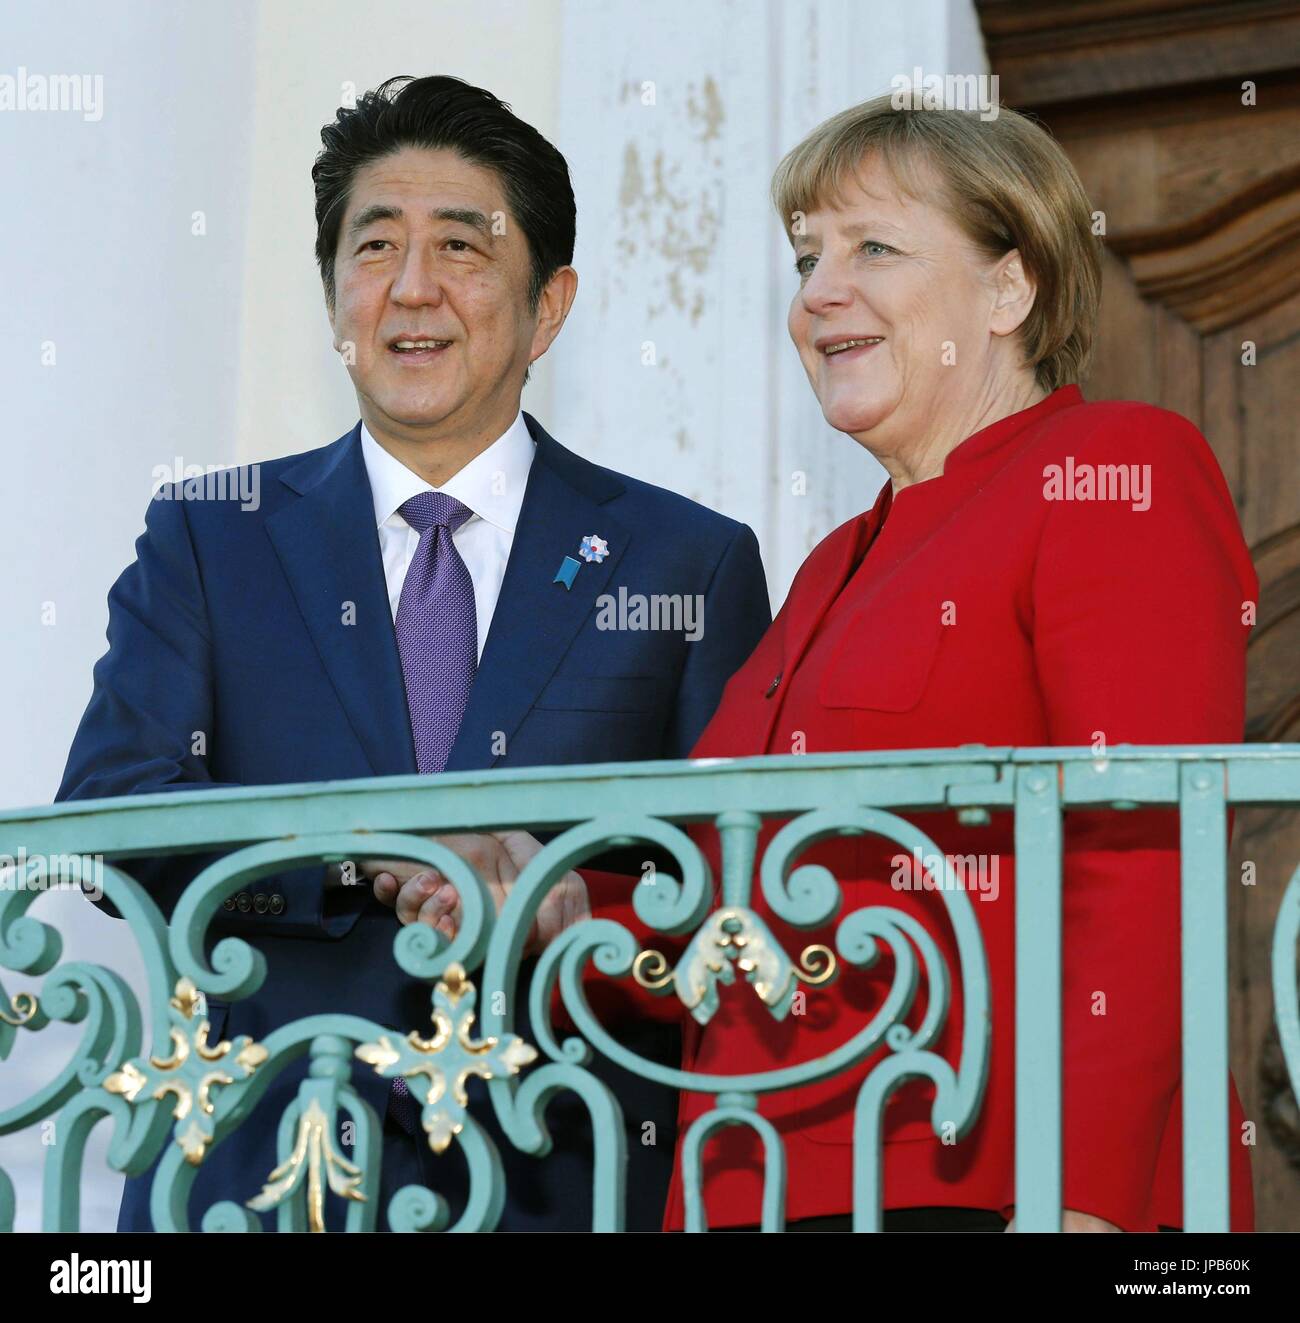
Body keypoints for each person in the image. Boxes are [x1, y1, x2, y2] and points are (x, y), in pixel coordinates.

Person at [57, 74, 770, 1232]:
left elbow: (726, 896)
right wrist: (363, 848)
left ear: (548, 307)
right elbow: (113, 811)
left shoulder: (684, 562)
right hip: (253, 1170)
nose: (411, 287)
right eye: (372, 245)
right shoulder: (208, 534)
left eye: (462, 247)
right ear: (334, 294)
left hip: (566, 1174)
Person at [661, 94, 1257, 1233]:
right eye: (804, 258)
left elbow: (1148, 857)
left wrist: (1084, 1200)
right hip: (759, 1181)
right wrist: (528, 894)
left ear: (1008, 287)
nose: (817, 293)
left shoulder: (1108, 467)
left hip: (982, 1181)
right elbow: (727, 900)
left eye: (872, 246)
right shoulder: (836, 561)